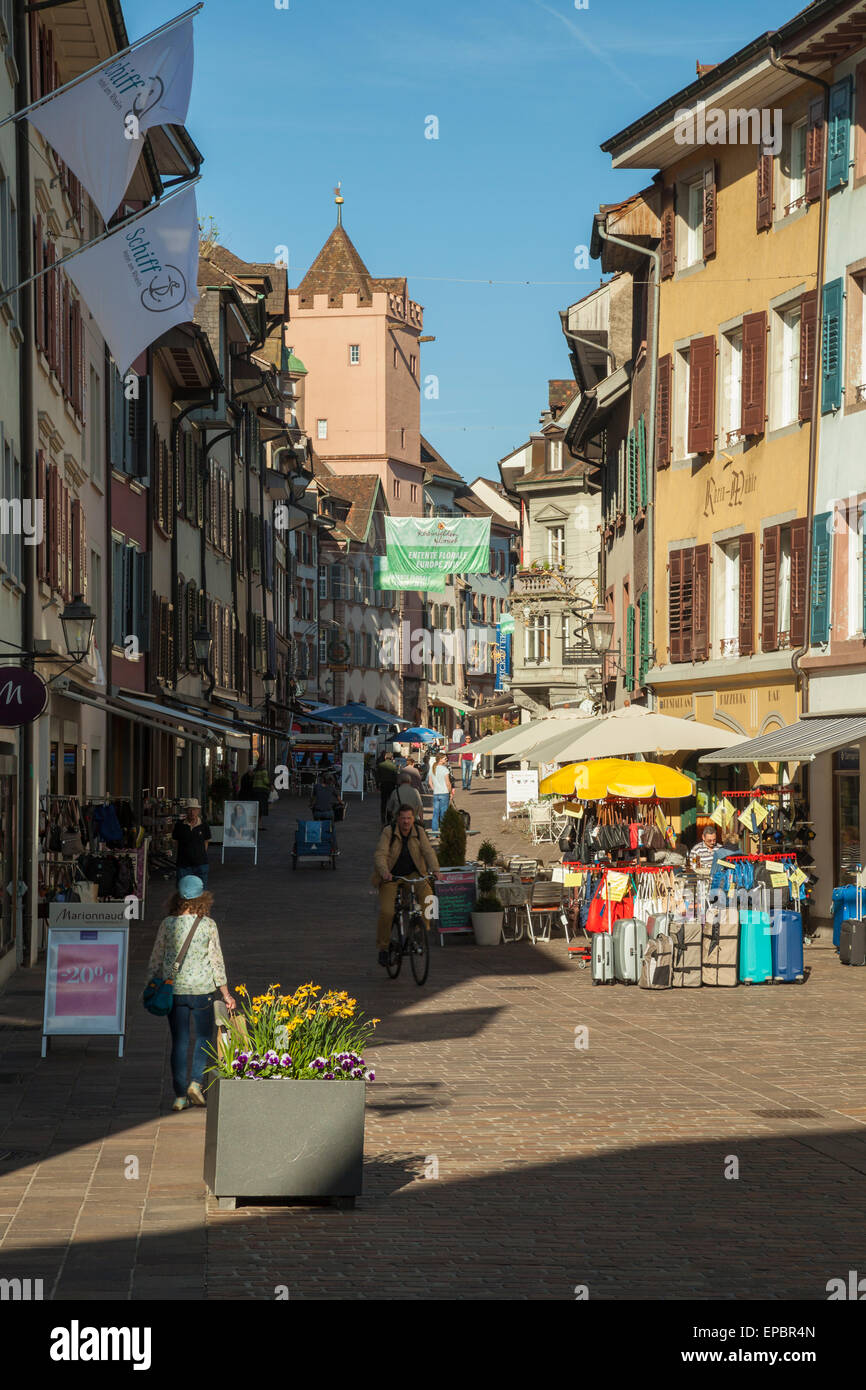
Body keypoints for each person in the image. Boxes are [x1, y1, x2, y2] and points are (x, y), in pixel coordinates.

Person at [147, 875, 235, 1111]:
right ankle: (196, 1082)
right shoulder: (208, 925)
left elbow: (156, 958)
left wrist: (151, 984)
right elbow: (217, 962)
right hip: (203, 991)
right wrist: (226, 994)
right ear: (202, 898)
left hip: (174, 990)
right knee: (204, 1038)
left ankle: (178, 1096)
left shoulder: (167, 924)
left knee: (179, 1041)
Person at [372, 805, 440, 966]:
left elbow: (428, 851)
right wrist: (384, 872)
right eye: (403, 818)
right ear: (398, 819)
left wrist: (436, 870)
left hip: (414, 874)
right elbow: (380, 854)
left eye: (409, 818)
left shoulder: (418, 831)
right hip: (391, 876)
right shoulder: (389, 831)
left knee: (430, 899)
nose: (406, 821)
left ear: (413, 818)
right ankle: (383, 947)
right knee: (387, 911)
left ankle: (419, 932)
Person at [172, 800, 211, 888]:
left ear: (198, 810)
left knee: (201, 891)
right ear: (186, 811)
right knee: (183, 890)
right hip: (183, 865)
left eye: (194, 809)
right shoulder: (179, 825)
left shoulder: (204, 825)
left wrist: (200, 853)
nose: (192, 812)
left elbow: (206, 840)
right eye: (190, 809)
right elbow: (175, 841)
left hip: (201, 864)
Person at [428, 752, 453, 835]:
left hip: (436, 793)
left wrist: (435, 789)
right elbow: (448, 783)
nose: (446, 760)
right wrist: (450, 792)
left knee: (435, 813)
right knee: (443, 813)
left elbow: (430, 782)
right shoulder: (445, 769)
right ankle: (443, 831)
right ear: (440, 759)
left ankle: (435, 832)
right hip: (444, 793)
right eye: (445, 758)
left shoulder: (432, 768)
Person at [375, 750, 398, 824]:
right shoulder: (394, 766)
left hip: (383, 785)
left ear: (385, 757)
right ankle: (389, 817)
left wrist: (377, 785)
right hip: (391, 786)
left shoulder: (380, 765)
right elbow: (395, 777)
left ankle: (382, 817)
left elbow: (377, 777)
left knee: (383, 802)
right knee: (391, 802)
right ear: (391, 758)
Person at [252, 759, 271, 827]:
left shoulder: (255, 770)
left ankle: (256, 823)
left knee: (257, 807)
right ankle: (259, 824)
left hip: (255, 790)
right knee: (261, 808)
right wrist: (270, 785)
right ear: (263, 763)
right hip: (262, 790)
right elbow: (265, 780)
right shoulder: (263, 770)